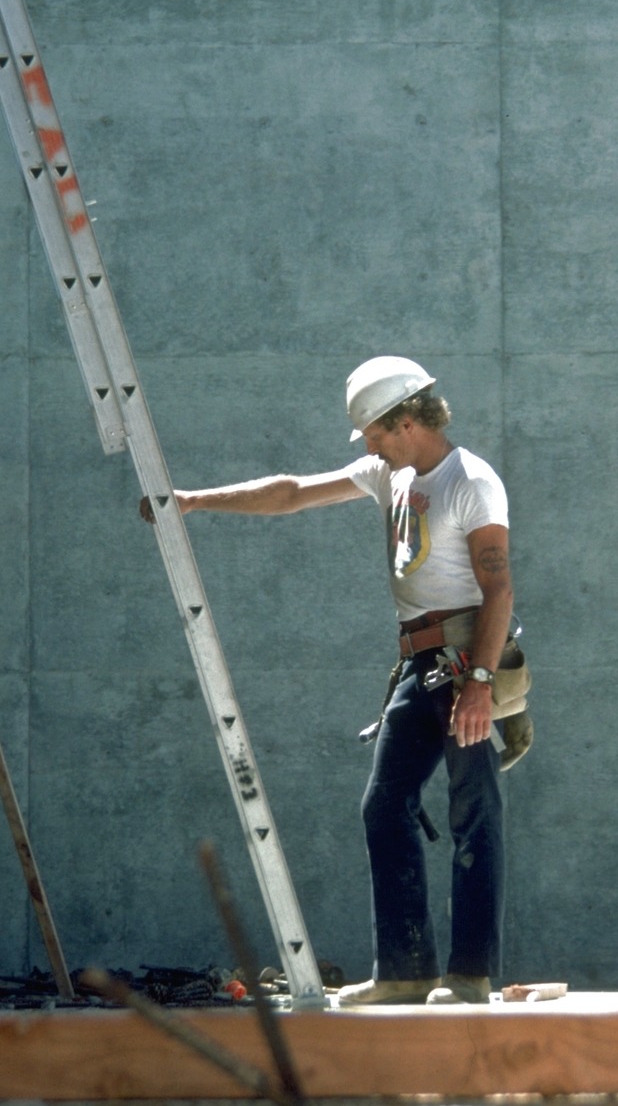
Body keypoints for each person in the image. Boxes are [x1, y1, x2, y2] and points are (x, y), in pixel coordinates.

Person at [140, 356, 528, 1007]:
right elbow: (293, 491)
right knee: (385, 803)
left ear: (406, 421)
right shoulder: (389, 473)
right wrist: (192, 503)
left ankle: (469, 976)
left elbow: (499, 588)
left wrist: (483, 682)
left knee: (474, 808)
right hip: (417, 664)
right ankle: (406, 972)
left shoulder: (471, 481)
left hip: (466, 660)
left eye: (374, 432)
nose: (368, 446)